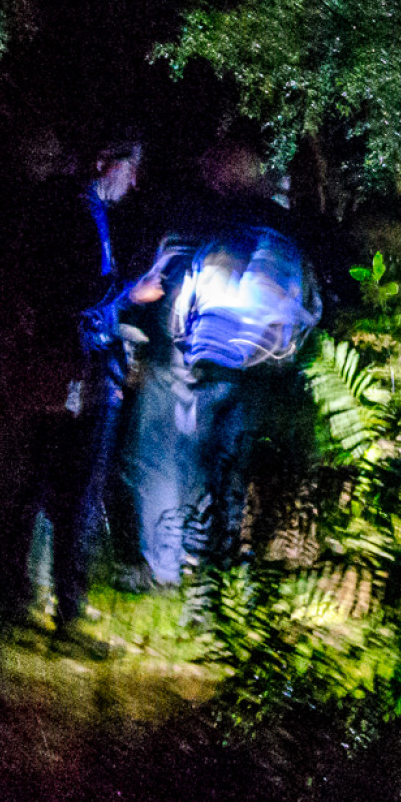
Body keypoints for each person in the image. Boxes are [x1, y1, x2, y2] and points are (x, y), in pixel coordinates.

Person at [121, 141, 321, 587]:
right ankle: (204, 567)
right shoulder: (275, 227)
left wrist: (163, 344)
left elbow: (174, 282)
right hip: (238, 372)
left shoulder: (207, 217)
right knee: (211, 469)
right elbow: (305, 305)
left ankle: (171, 566)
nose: (211, 168)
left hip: (194, 364)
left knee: (166, 461)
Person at [0, 136, 146, 657]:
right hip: (76, 367)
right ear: (105, 162)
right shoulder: (77, 212)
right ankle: (69, 620)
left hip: (56, 362)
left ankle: (18, 599)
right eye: (131, 167)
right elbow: (75, 289)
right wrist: (130, 290)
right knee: (76, 492)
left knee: (40, 482)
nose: (134, 181)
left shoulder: (65, 208)